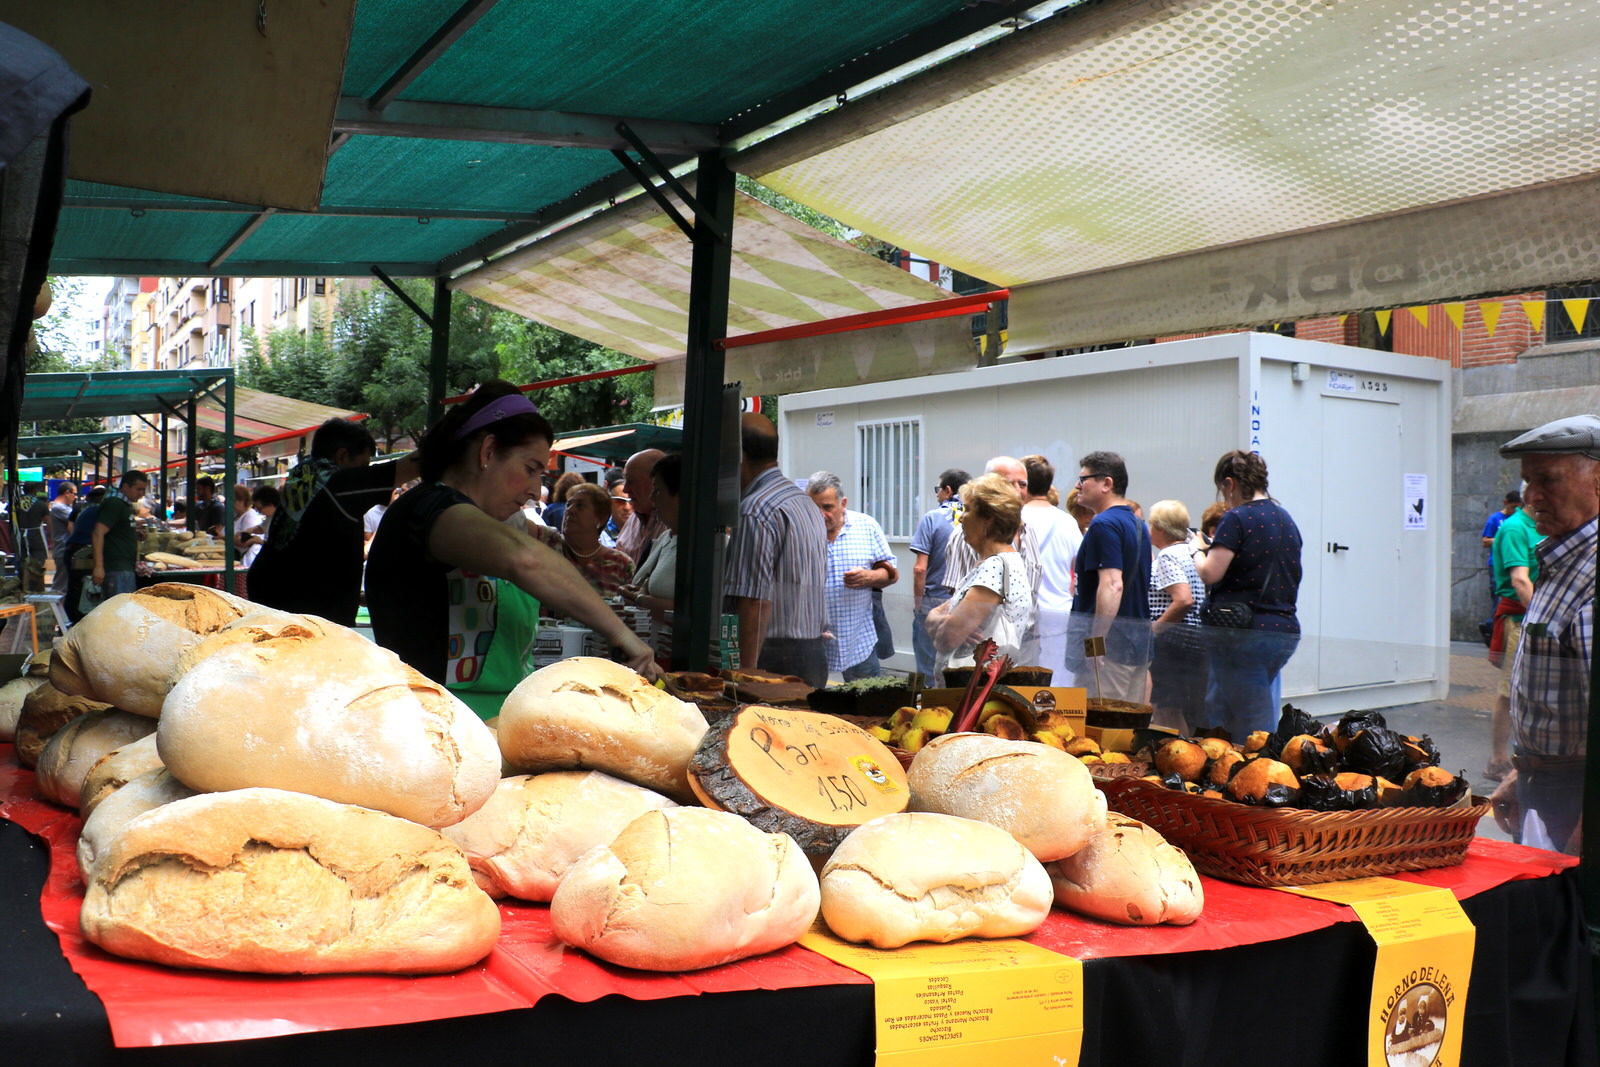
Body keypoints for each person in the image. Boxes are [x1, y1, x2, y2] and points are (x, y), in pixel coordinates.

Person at [366, 381, 655, 693]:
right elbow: (526, 560)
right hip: (433, 718)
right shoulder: (429, 508)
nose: (534, 490)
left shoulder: (476, 516)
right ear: (488, 451)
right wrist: (623, 635)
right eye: (530, 469)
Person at [1489, 414, 1600, 855]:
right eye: (1526, 481)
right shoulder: (1563, 556)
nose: (1530, 496)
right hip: (1549, 790)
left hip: (1577, 803)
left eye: (1548, 480)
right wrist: (1525, 773)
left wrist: (1587, 835)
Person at [248, 419, 416, 626]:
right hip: (308, 611)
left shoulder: (303, 474)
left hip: (272, 590)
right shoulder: (336, 483)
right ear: (342, 456)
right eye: (363, 465)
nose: (365, 471)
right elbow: (412, 466)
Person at [1193, 450, 1303, 738]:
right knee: (1238, 706)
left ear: (1230, 484)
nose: (1224, 500)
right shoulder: (1285, 519)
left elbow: (1210, 573)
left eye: (1222, 491)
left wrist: (1196, 549)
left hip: (1243, 632)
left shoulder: (1237, 518)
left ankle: (1258, 776)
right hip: (1283, 630)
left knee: (1249, 720)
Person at [724, 413, 828, 687]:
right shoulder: (802, 502)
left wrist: (746, 675)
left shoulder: (756, 509)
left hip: (775, 659)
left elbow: (755, 602)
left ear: (738, 455)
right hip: (813, 653)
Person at [1065, 451, 1153, 705]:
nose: (1077, 485)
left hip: (1111, 649)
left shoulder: (1103, 525)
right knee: (1124, 727)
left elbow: (1113, 585)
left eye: (1084, 479)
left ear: (1107, 483)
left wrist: (1095, 646)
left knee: (1100, 723)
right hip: (1135, 643)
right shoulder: (1136, 523)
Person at [925, 474, 1033, 675]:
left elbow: (947, 638)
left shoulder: (994, 568)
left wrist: (943, 622)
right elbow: (938, 618)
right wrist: (943, 620)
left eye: (967, 510)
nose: (962, 518)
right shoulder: (1000, 562)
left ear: (988, 520)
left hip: (973, 687)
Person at [806, 471, 898, 681]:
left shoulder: (866, 526)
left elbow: (891, 574)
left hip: (858, 640)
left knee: (867, 706)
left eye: (827, 507)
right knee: (808, 707)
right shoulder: (800, 531)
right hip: (812, 642)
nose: (821, 514)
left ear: (843, 503)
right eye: (814, 507)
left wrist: (870, 577)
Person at [1485, 495, 1541, 781]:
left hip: (1535, 618)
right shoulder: (1515, 528)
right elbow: (1520, 580)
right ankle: (1497, 760)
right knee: (1509, 692)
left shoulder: (1543, 525)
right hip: (1521, 620)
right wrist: (1546, 620)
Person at [1147, 499, 1207, 734]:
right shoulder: (1192, 553)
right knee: (1185, 708)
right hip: (1196, 640)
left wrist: (1155, 629)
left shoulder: (1167, 556)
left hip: (1174, 642)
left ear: (1161, 528)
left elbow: (1183, 599)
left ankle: (1178, 753)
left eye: (1151, 524)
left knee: (1166, 708)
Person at [1021, 455, 1082, 685]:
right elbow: (1077, 569)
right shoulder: (1067, 522)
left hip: (1022, 618)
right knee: (1057, 688)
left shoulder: (1014, 519)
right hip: (1060, 617)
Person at [910, 468, 969, 681]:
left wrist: (918, 606)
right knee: (960, 667)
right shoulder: (977, 518)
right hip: (969, 605)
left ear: (948, 490)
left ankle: (929, 705)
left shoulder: (932, 518)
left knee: (928, 669)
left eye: (938, 489)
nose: (937, 495)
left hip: (934, 602)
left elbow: (920, 569)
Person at [531, 481, 635, 602]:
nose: (570, 510)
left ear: (600, 518)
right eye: (569, 504)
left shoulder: (620, 564)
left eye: (580, 506)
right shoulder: (548, 541)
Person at [620, 453, 682, 649]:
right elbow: (646, 584)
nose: (653, 499)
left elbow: (693, 612)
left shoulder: (705, 546)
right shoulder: (667, 537)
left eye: (658, 491)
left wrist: (639, 599)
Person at [91, 470, 150, 600]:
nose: (141, 494)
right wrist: (98, 567)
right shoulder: (114, 504)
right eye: (138, 489)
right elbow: (97, 534)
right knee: (120, 613)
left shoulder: (123, 505)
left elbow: (116, 531)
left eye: (143, 490)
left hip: (124, 568)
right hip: (117, 569)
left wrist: (134, 534)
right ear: (125, 487)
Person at [615, 448, 667, 567]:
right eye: (625, 481)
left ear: (655, 482)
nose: (625, 489)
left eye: (631, 481)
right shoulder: (633, 519)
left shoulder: (674, 523)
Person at [61, 485, 105, 623]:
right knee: (78, 590)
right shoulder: (97, 511)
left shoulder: (87, 509)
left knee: (75, 589)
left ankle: (74, 620)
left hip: (73, 550)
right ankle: (76, 621)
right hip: (80, 553)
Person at [1481, 489, 1521, 636]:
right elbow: (1485, 541)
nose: (1516, 511)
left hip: (1513, 563)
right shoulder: (1495, 519)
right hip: (1497, 565)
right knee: (1498, 598)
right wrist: (1503, 538)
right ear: (1506, 503)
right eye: (1513, 507)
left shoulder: (1518, 521)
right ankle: (1492, 629)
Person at [47, 482, 76, 595]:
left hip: (63, 549)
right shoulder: (59, 508)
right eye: (74, 493)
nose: (75, 497)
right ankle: (52, 609)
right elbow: (77, 517)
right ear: (67, 493)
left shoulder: (60, 507)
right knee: (60, 586)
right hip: (62, 549)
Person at [239, 485, 278, 570]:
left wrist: (259, 541)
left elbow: (278, 547)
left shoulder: (282, 520)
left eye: (260, 508)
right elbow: (260, 529)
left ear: (271, 505)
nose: (257, 510)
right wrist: (247, 531)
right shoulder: (270, 517)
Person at [602, 468, 629, 548]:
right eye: (620, 501)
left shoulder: (646, 532)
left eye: (631, 501)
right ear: (610, 503)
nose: (627, 507)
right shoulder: (597, 534)